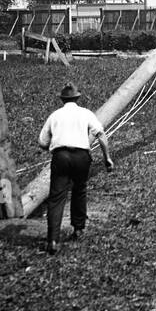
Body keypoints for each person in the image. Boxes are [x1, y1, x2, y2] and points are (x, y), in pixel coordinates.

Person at [37, 83, 113, 256]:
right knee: (79, 190)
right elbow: (101, 134)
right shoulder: (85, 113)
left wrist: (54, 146)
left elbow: (42, 142)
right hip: (81, 156)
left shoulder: (55, 115)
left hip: (61, 156)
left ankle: (53, 239)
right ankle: (78, 229)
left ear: (62, 99)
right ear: (77, 98)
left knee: (56, 197)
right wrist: (107, 158)